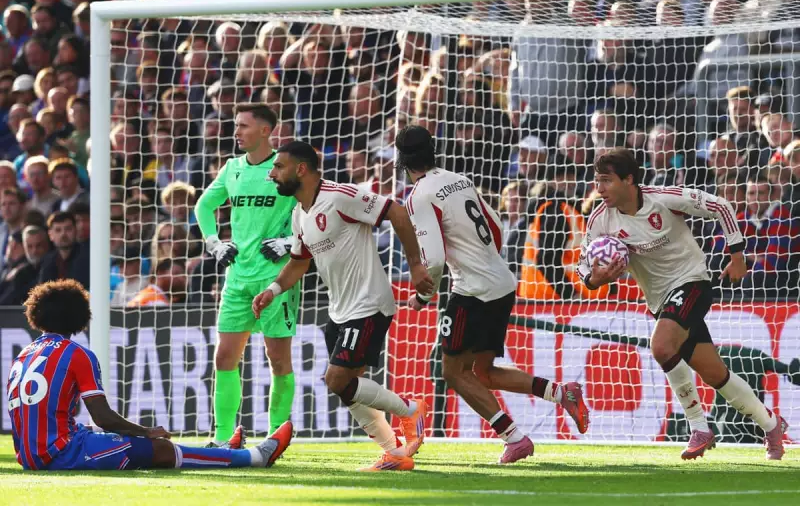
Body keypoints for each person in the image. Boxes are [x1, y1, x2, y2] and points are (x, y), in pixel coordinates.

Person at [578, 148, 788, 461]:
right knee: (716, 374)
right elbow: (585, 270)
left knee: (661, 347)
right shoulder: (600, 221)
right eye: (597, 181)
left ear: (629, 179)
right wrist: (598, 279)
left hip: (693, 281)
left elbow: (721, 206)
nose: (600, 188)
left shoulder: (663, 198)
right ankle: (771, 424)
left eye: (606, 181)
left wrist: (737, 255)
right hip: (661, 300)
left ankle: (699, 427)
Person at [395, 126, 589, 464]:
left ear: (403, 162)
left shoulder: (418, 196)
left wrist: (423, 297)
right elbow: (497, 225)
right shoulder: (461, 179)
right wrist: (488, 261)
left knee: (453, 372)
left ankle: (513, 438)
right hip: (501, 281)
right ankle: (562, 393)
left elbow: (435, 260)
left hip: (472, 290)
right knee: (482, 372)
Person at [253, 140, 434, 471]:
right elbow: (298, 262)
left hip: (368, 303)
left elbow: (394, 210)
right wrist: (273, 289)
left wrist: (416, 265)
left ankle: (410, 410)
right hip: (339, 309)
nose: (273, 174)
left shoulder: (339, 196)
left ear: (301, 169)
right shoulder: (298, 214)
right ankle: (394, 453)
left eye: (279, 167)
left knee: (336, 380)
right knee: (350, 389)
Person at [7, 278, 292, 471]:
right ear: (79, 316)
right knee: (160, 449)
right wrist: (145, 431)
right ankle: (253, 457)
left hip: (32, 454)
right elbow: (102, 416)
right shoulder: (76, 353)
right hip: (61, 454)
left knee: (106, 435)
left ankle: (224, 450)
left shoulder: (23, 355)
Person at [194, 104, 300, 445]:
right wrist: (214, 243)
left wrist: (289, 241)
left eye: (243, 126)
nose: (236, 131)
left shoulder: (284, 168)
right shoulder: (232, 169)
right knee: (225, 356)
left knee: (278, 358)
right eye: (236, 125)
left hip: (275, 278)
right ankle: (224, 436)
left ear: (266, 131)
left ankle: (276, 436)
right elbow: (203, 206)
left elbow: (313, 207)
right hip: (238, 277)